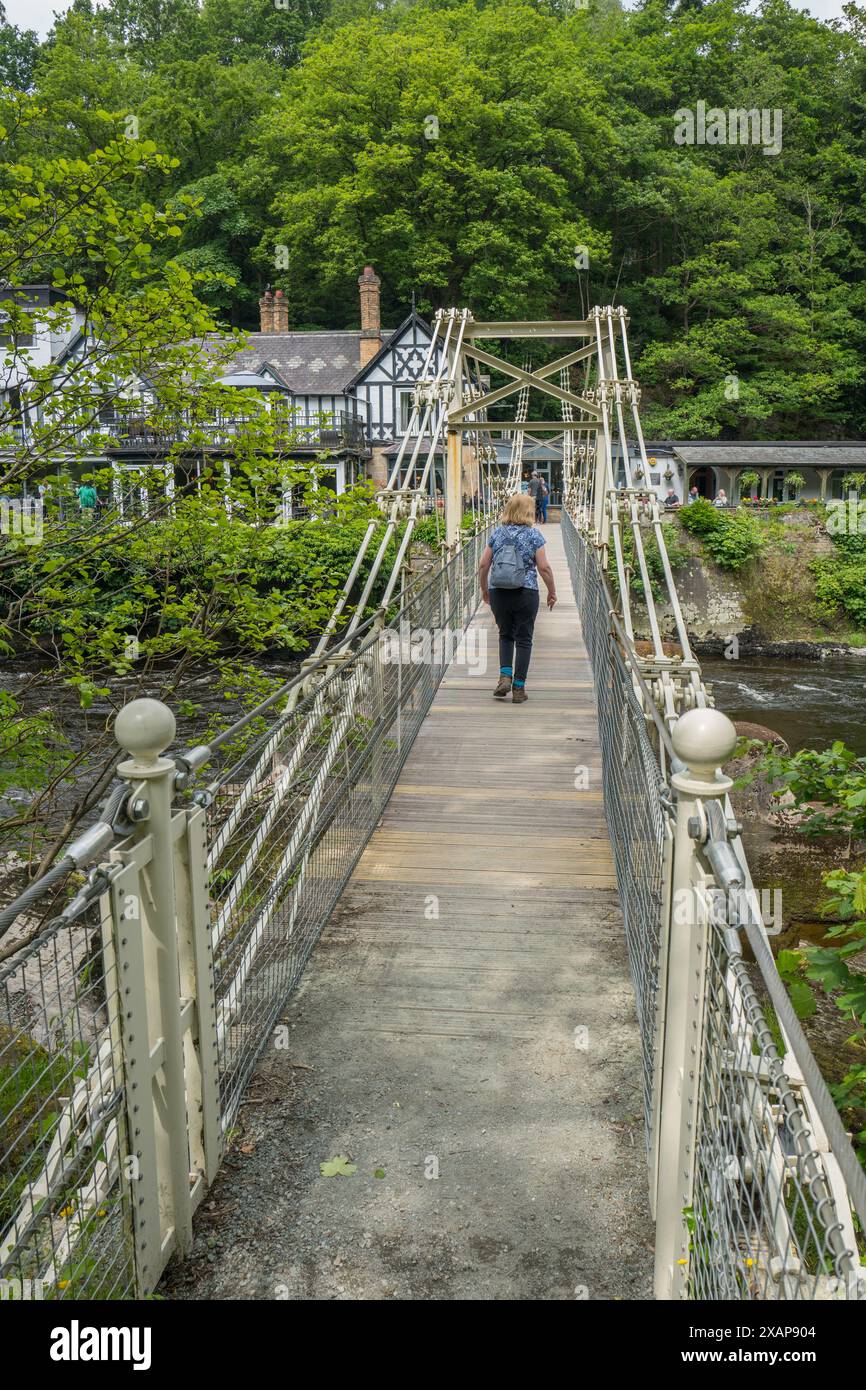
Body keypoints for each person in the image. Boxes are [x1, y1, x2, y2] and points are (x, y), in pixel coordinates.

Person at [479, 493, 557, 705]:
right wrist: (552, 590)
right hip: (526, 592)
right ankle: (519, 688)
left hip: (499, 592)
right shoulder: (534, 535)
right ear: (529, 511)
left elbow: (484, 564)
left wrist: (485, 589)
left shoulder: (497, 534)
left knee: (505, 635)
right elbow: (544, 567)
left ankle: (505, 676)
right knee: (524, 639)